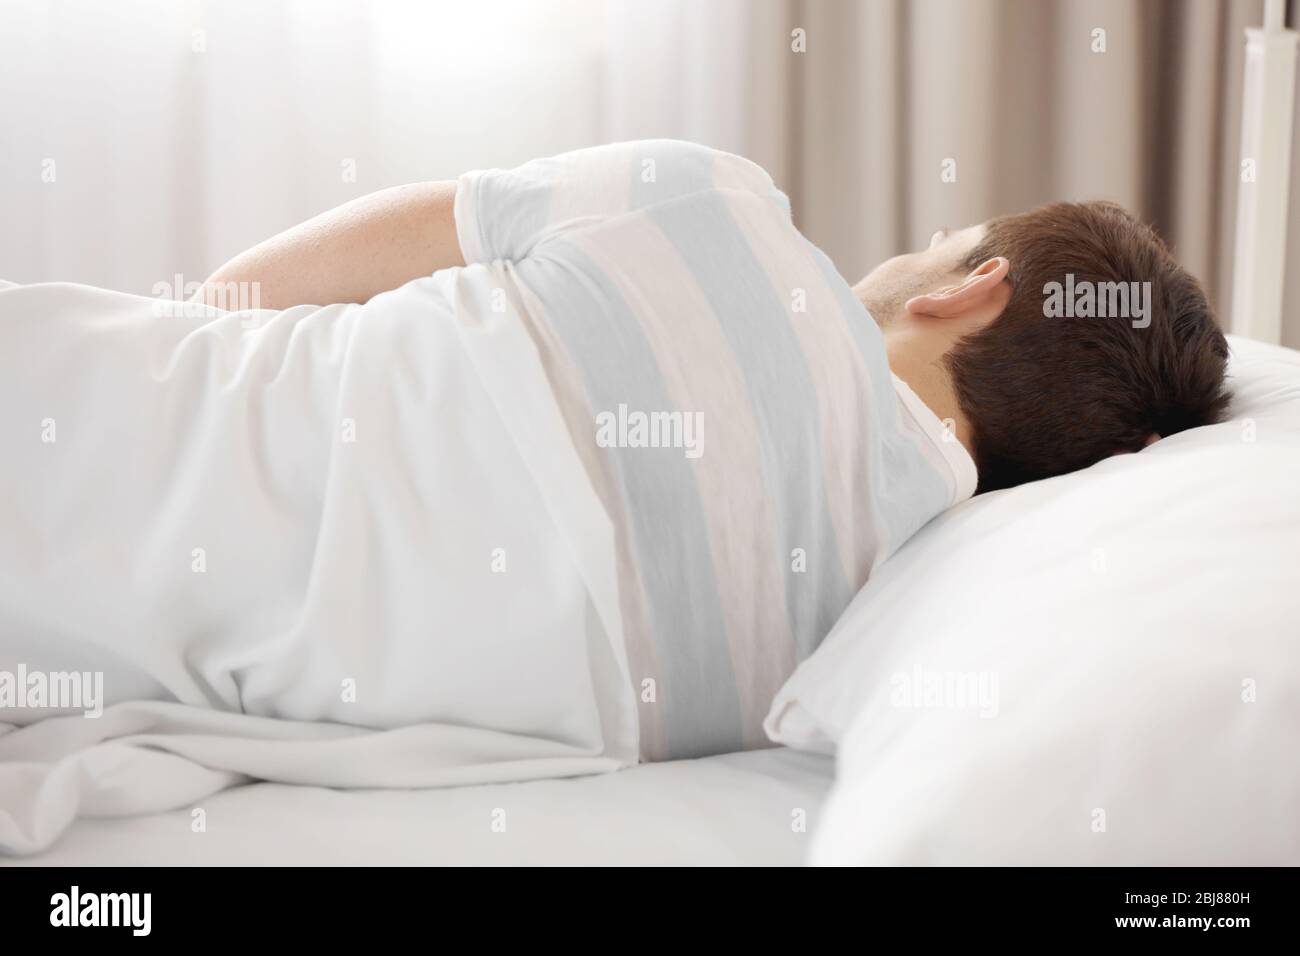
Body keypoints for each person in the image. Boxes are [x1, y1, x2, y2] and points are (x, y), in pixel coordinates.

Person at [2, 140, 1228, 767]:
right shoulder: (819, 653)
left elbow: (241, 294)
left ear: (972, 290)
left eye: (937, 240)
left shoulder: (709, 204)